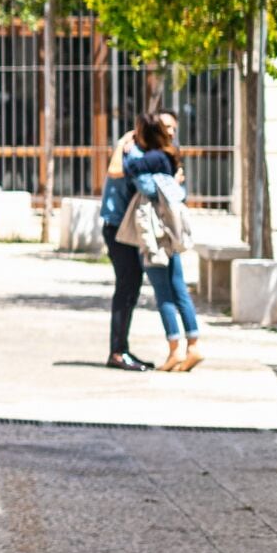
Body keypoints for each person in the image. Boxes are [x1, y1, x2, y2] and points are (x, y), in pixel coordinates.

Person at [119, 110, 203, 371]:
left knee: (164, 293)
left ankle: (175, 349)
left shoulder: (154, 157)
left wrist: (127, 149)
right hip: (170, 231)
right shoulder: (170, 157)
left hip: (155, 234)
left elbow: (140, 179)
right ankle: (193, 345)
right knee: (179, 289)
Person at [96, 132, 155, 372]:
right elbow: (147, 186)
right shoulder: (134, 153)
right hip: (119, 229)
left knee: (130, 287)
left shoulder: (131, 151)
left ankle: (121, 349)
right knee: (126, 288)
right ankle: (118, 352)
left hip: (122, 228)